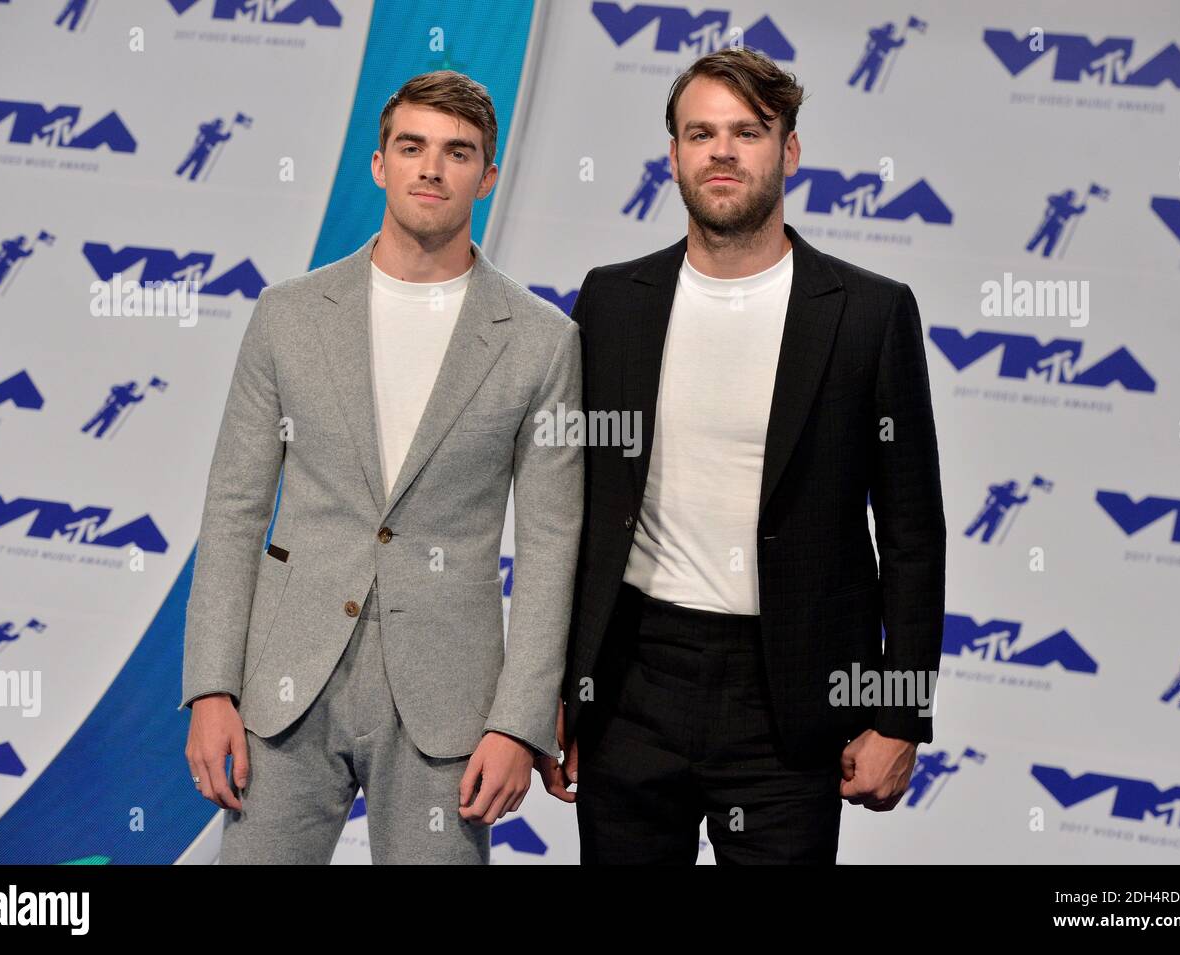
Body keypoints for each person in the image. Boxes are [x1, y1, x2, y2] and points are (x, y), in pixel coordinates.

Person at [538, 48, 946, 864]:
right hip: (630, 686)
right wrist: (555, 687)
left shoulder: (869, 313)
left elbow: (911, 530)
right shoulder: (612, 301)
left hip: (791, 703)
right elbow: (572, 510)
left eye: (747, 132)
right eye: (701, 133)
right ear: (674, 156)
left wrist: (900, 713)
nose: (722, 151)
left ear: (788, 151)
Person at [181, 70, 582, 864]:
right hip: (284, 687)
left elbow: (551, 545)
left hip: (449, 702)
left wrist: (518, 719)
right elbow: (233, 509)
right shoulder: (287, 314)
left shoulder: (541, 339)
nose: (432, 168)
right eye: (412, 147)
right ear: (379, 164)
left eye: (457, 152)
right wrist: (210, 688)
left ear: (487, 175)